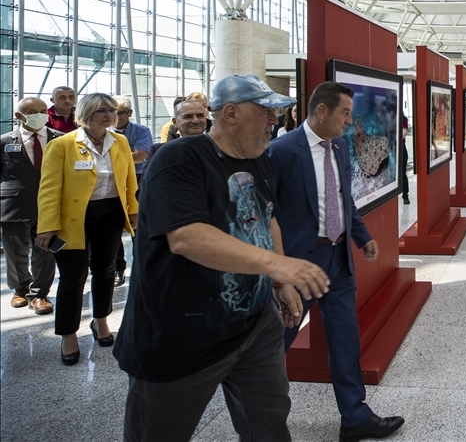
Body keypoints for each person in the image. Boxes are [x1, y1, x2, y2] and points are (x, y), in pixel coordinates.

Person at [113, 74, 330, 442]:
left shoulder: (258, 158)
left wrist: (280, 282)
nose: (274, 122)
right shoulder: (178, 158)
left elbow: (268, 217)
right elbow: (187, 237)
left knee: (269, 422)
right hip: (181, 333)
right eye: (266, 113)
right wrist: (278, 265)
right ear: (230, 113)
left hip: (255, 323)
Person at [268, 82, 405, 442]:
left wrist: (362, 237)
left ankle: (355, 417)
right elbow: (267, 216)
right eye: (345, 112)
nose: (350, 120)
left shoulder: (341, 147)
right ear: (323, 111)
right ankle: (261, 423)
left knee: (345, 341)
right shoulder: (282, 151)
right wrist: (279, 273)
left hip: (339, 261)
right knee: (273, 346)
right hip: (299, 266)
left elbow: (345, 201)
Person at [35, 93, 138, 365]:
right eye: (102, 110)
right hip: (72, 218)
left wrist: (133, 210)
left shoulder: (120, 141)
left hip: (110, 213)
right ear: (87, 112)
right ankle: (68, 335)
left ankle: (101, 322)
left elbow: (129, 180)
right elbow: (48, 189)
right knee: (73, 276)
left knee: (104, 271)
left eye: (112, 111)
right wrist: (47, 226)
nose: (108, 115)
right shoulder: (63, 145)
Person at [1, 97, 60, 314]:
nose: (40, 115)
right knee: (15, 251)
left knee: (45, 251)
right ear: (19, 116)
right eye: (33, 111)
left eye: (43, 110)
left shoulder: (59, 139)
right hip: (14, 204)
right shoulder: (5, 141)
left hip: (50, 204)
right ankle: (20, 288)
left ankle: (40, 294)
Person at [111, 95, 153, 287]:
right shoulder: (102, 131)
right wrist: (128, 153)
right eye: (112, 112)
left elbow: (141, 156)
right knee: (113, 229)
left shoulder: (141, 130)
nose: (116, 116)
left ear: (130, 113)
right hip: (112, 181)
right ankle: (118, 268)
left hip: (136, 181)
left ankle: (141, 268)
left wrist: (110, 155)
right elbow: (133, 155)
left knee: (138, 226)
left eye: (121, 113)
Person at [399, 112, 410, 204]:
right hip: (391, 147)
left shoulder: (404, 119)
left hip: (401, 147)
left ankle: (405, 196)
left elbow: (403, 134)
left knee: (402, 173)